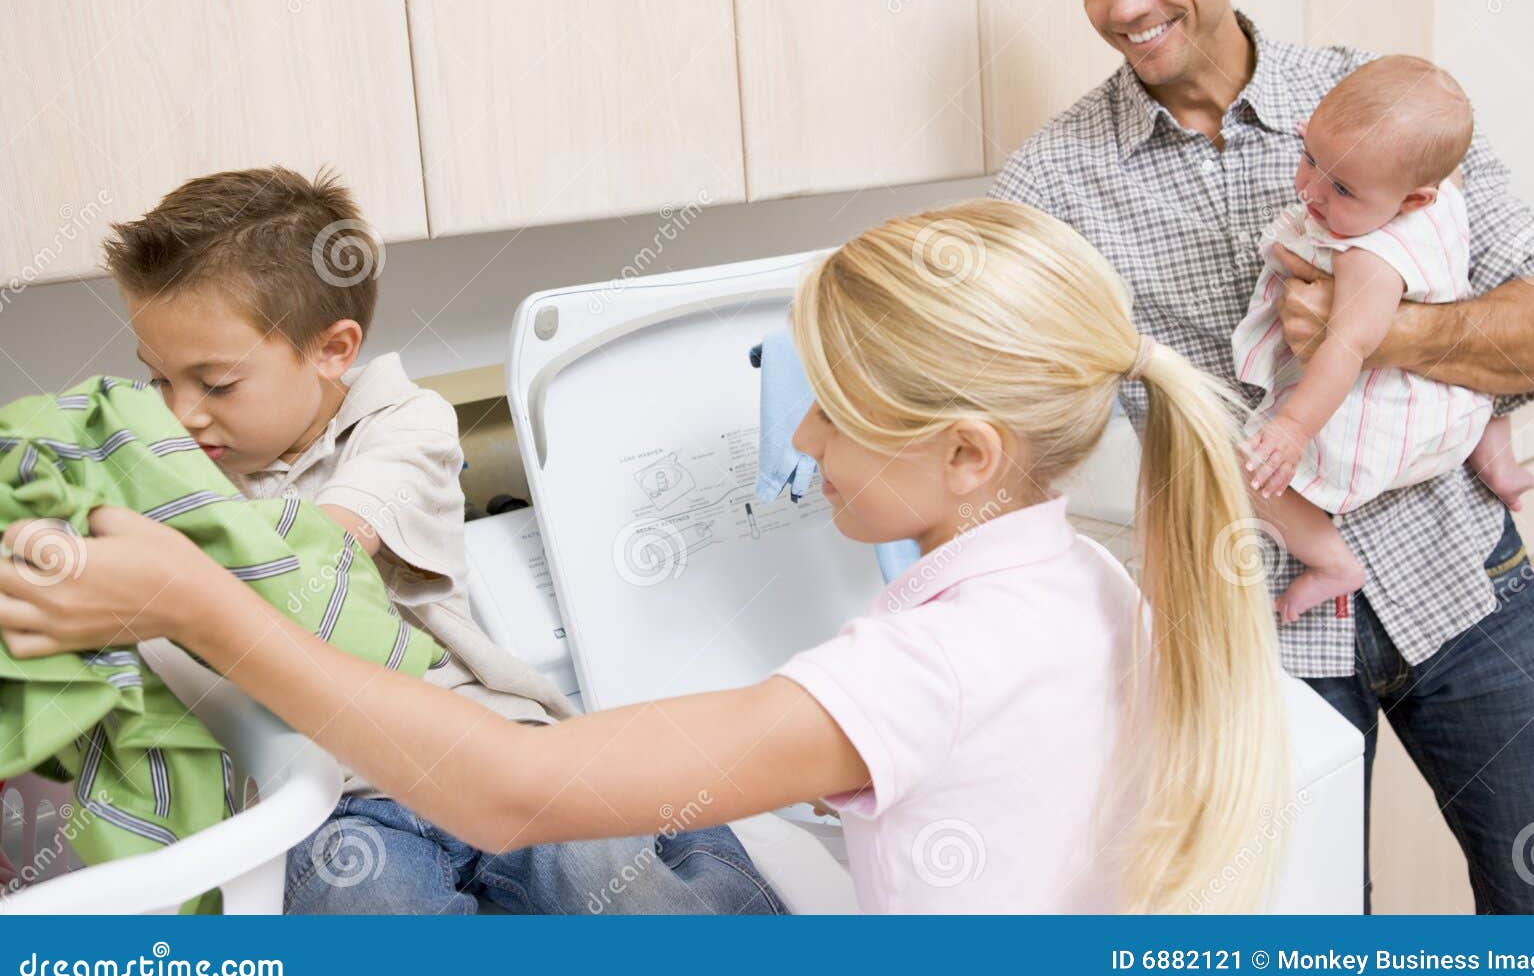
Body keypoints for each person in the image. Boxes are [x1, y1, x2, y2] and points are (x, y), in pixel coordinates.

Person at [1, 200, 1290, 913]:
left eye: (831, 404)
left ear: (965, 454)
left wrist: (196, 604)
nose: (800, 434)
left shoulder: (922, 665)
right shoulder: (1093, 584)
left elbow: (509, 791)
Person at [990, 0, 1534, 910]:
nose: (1126, 5)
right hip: (1256, 616)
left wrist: (1382, 329)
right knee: (1313, 936)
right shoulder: (1049, 183)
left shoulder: (1379, 101)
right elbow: (1016, 382)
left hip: (1464, 577)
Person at [94, 166, 781, 915]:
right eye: (158, 382)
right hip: (335, 797)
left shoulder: (403, 422)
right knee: (370, 909)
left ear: (331, 348)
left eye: (214, 383)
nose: (181, 412)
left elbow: (324, 558)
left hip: (487, 746)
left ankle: (700, 851)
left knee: (612, 883)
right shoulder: (164, 473)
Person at [1235, 55, 1534, 622]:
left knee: (1247, 470)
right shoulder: (1441, 184)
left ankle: (1331, 563)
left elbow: (1347, 346)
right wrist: (1337, 158)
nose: (1311, 192)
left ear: (1413, 199)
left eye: (1341, 187)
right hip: (1459, 403)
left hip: (1387, 418)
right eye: (1309, 159)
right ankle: (1497, 460)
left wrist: (1293, 429)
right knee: (1475, 337)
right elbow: (1393, 158)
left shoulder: (1369, 262)